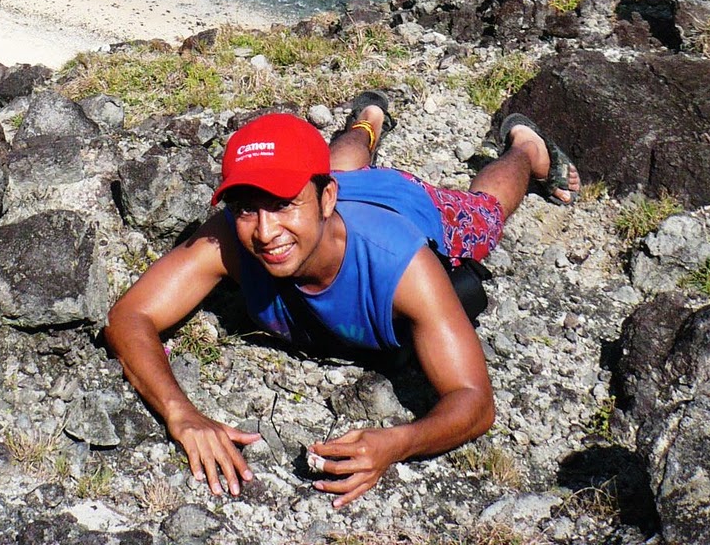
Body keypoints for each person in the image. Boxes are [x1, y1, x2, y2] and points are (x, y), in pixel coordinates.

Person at [105, 94, 579, 510]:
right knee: (339, 168)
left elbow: (475, 401)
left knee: (485, 214)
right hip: (337, 190)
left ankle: (525, 148)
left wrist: (398, 443)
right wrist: (181, 414)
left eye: (283, 203)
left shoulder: (401, 264)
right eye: (246, 206)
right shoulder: (235, 234)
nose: (265, 232)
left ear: (321, 200)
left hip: (408, 206)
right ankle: (368, 117)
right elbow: (130, 315)